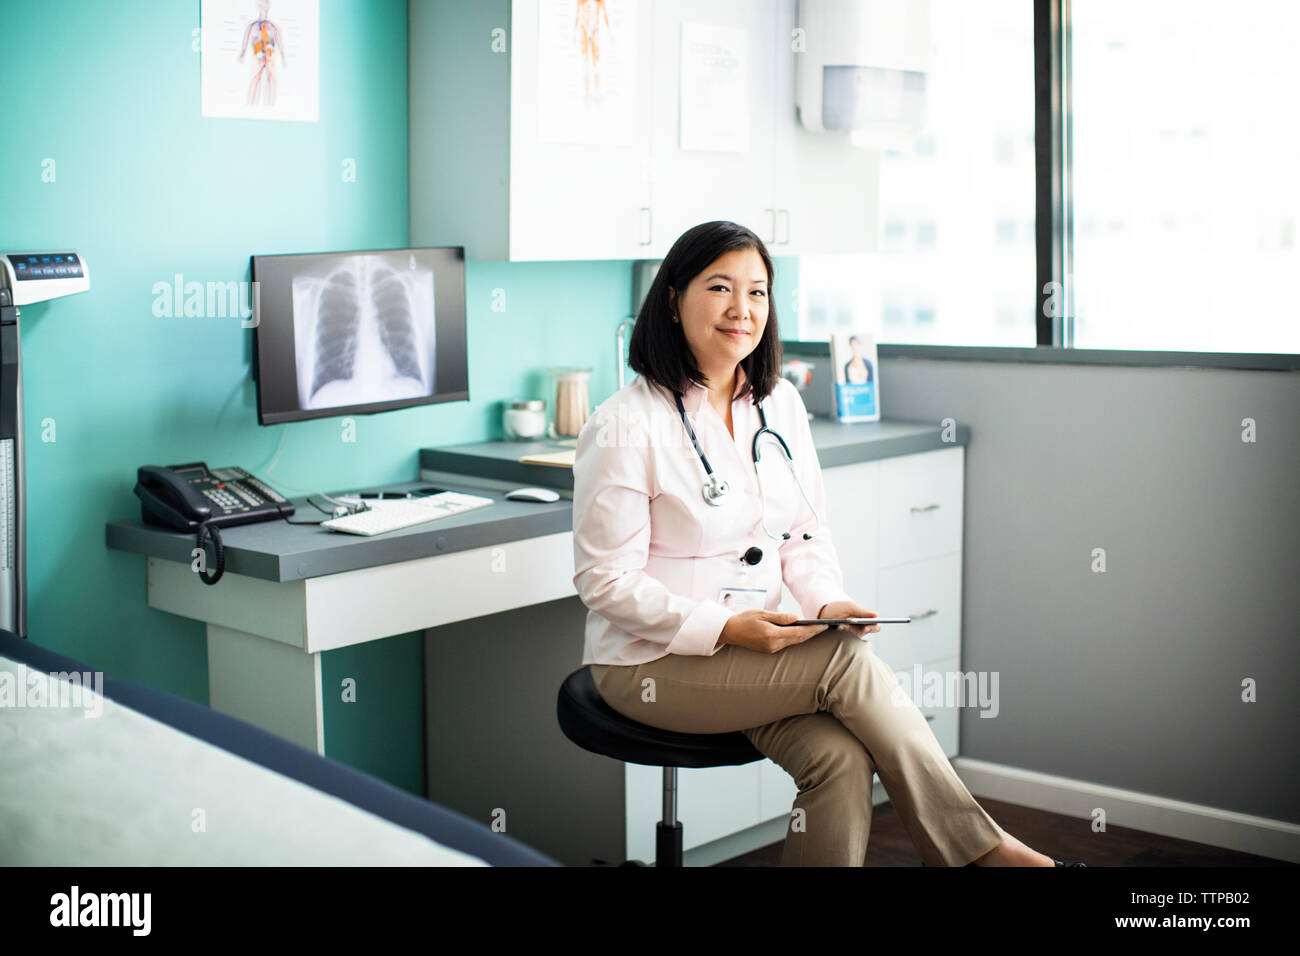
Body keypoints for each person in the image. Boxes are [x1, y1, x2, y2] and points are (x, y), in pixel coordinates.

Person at [571, 220, 1080, 866]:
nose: (742, 309)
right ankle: (984, 855)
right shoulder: (623, 424)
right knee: (843, 663)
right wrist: (727, 627)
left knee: (839, 760)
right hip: (647, 664)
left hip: (755, 654)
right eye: (721, 287)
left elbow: (804, 534)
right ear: (672, 298)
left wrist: (827, 601)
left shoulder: (777, 404)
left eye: (758, 292)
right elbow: (605, 584)